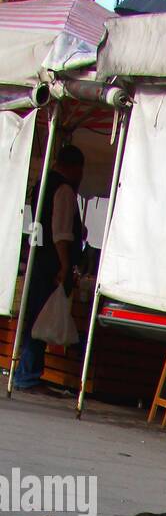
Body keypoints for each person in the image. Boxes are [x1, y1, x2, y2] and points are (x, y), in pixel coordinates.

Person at [13, 143, 86, 393]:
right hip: (52, 263)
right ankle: (28, 375)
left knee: (35, 316)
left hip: (39, 258)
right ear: (75, 168)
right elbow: (61, 232)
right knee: (40, 318)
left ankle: (26, 371)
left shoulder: (42, 185)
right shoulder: (63, 190)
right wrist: (66, 265)